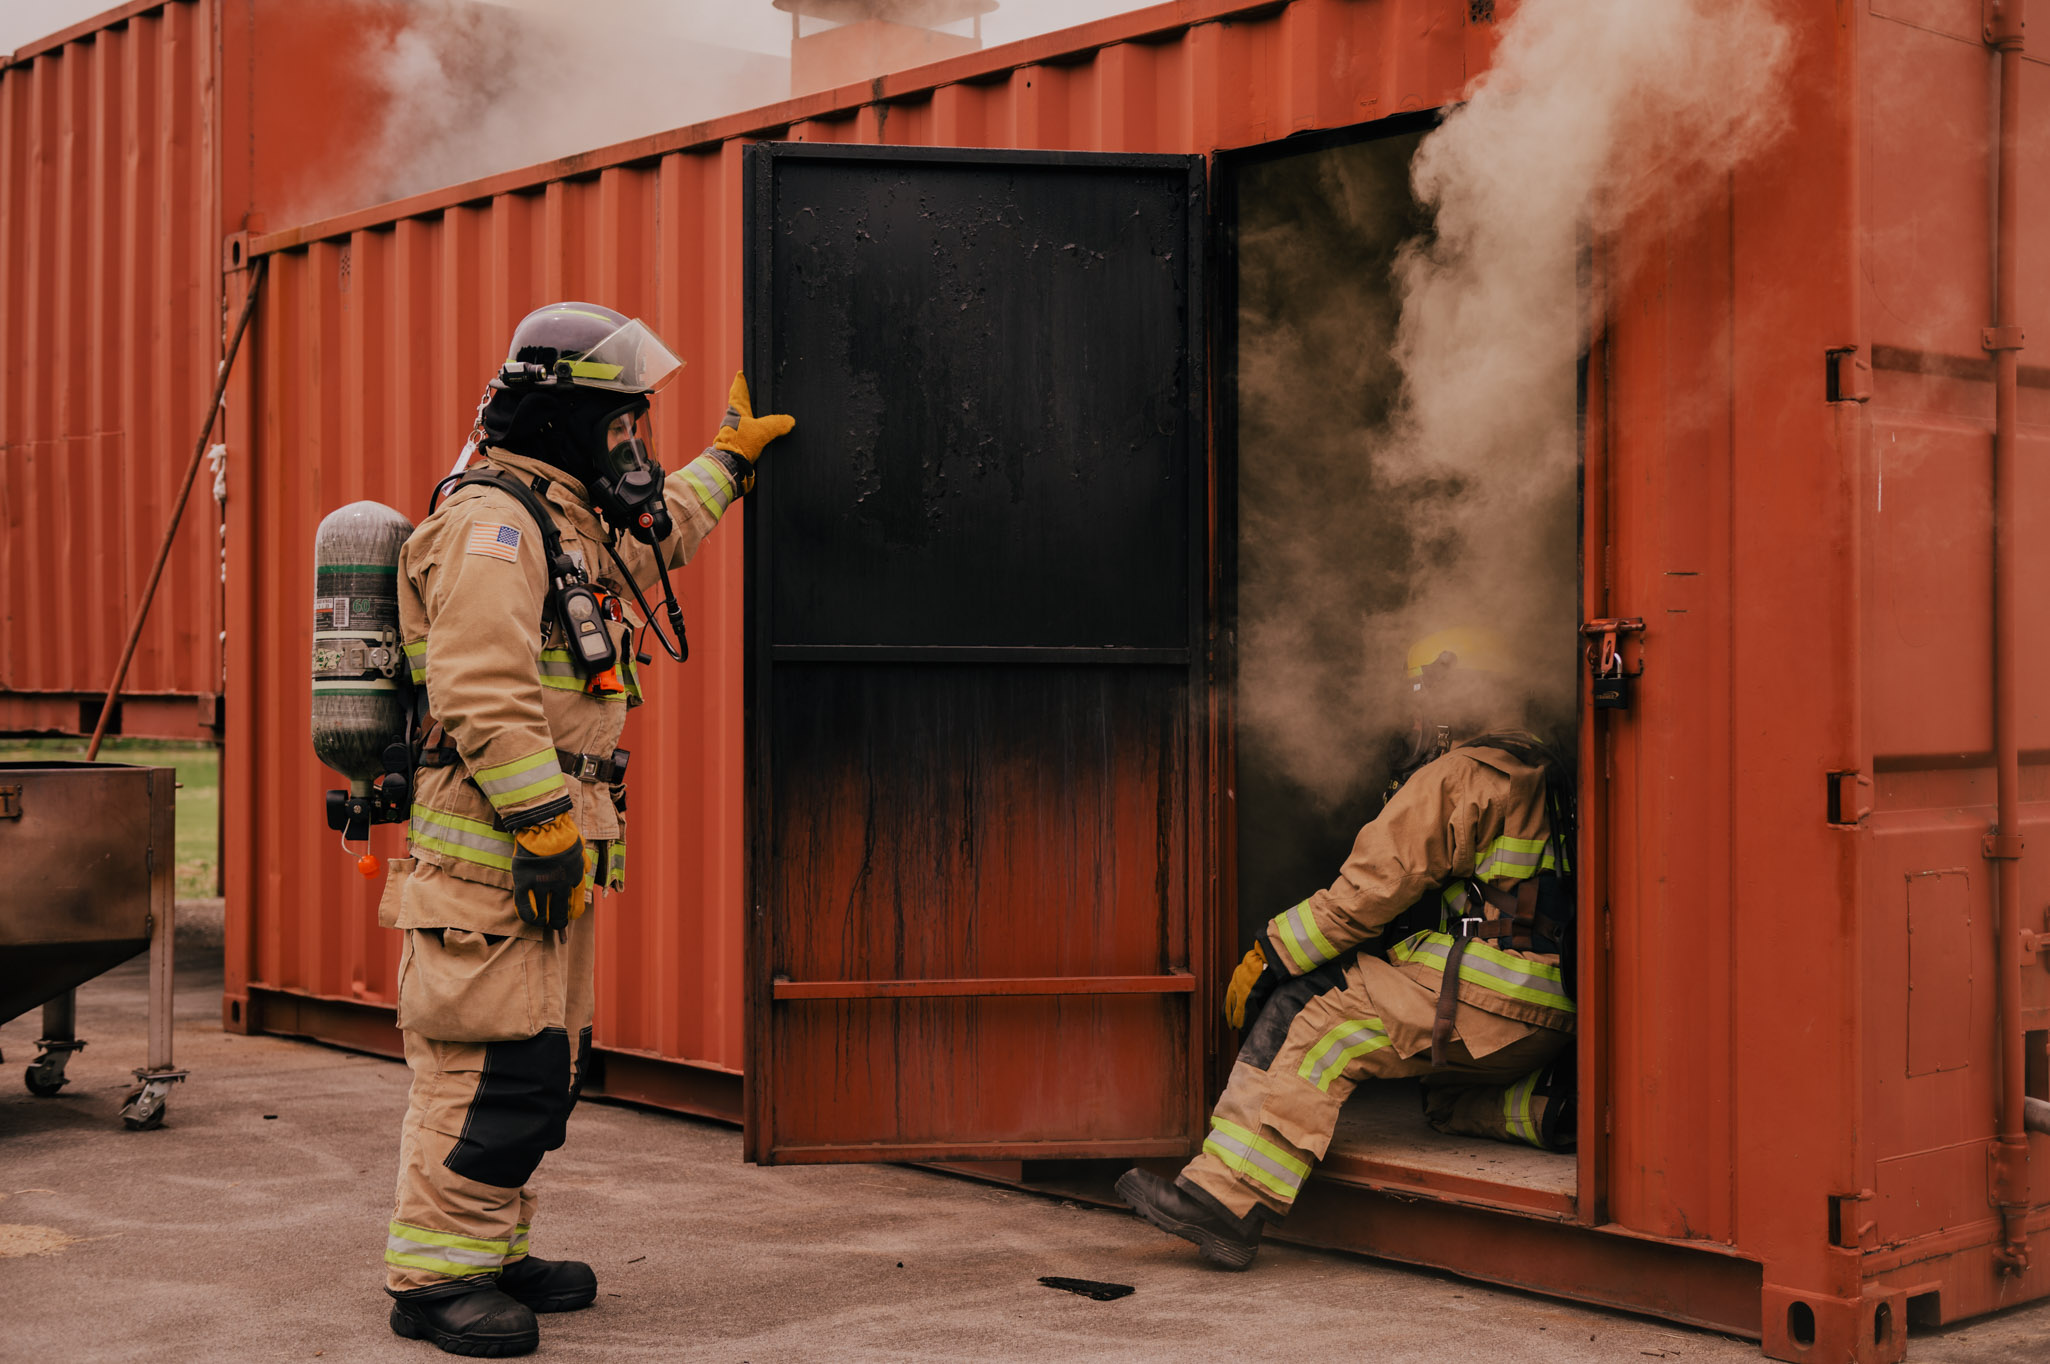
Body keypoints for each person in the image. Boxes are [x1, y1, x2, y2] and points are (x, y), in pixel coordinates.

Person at [378, 302, 793, 1355]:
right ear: (560, 418)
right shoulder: (494, 526)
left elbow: (644, 561)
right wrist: (543, 820)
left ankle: (492, 1249)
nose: (632, 445)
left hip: (541, 851)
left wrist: (726, 467)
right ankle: (434, 1279)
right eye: (619, 425)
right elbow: (480, 690)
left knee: (539, 1065)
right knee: (482, 1068)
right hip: (496, 847)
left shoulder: (556, 519)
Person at [1118, 627, 1576, 1270]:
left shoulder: (1461, 773)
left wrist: (1272, 953)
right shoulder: (1553, 764)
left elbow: (1367, 894)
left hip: (1492, 994)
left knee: (1313, 1010)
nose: (1418, 711)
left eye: (1425, 690)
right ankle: (1553, 1106)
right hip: (1547, 1011)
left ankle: (1228, 1202)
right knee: (1446, 1103)